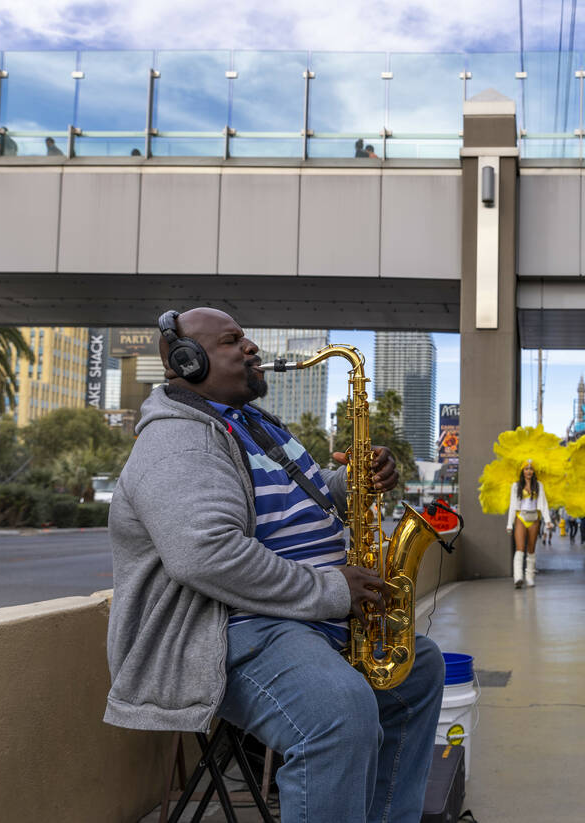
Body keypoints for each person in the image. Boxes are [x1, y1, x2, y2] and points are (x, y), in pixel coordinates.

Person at [104, 308, 444, 823]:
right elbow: (206, 555)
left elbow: (292, 499)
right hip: (231, 628)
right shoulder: (179, 442)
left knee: (419, 672)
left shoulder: (253, 424)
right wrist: (331, 590)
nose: (251, 348)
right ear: (188, 361)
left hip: (297, 617)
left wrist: (352, 479)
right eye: (232, 341)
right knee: (338, 714)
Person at [506, 460, 553, 587]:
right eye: (526, 469)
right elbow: (512, 506)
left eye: (531, 469)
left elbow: (543, 504)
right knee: (520, 548)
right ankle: (518, 577)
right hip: (521, 517)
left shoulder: (539, 485)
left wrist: (548, 520)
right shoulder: (516, 486)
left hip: (534, 518)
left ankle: (530, 577)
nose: (529, 471)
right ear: (522, 471)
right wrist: (510, 524)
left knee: (531, 549)